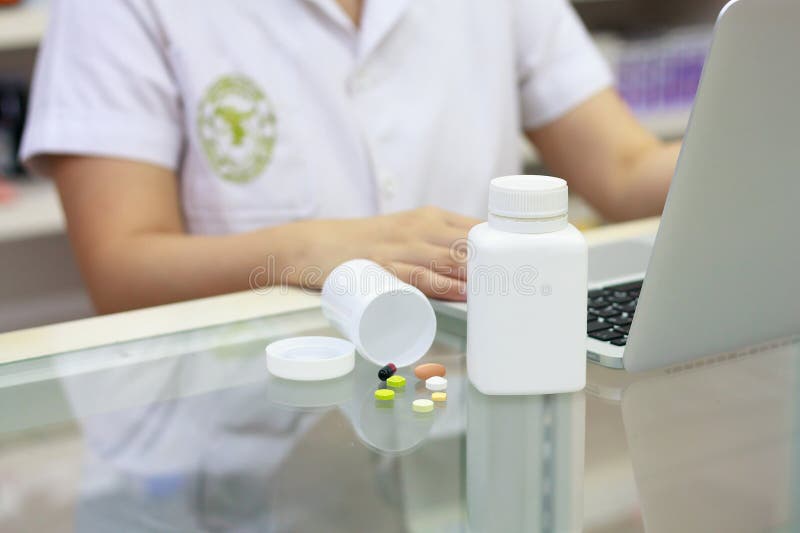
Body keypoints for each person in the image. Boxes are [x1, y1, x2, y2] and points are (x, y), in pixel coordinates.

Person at [21, 0, 680, 314]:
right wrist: (307, 251)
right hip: (225, 447)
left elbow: (624, 172)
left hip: (453, 403)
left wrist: (760, 152)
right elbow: (120, 269)